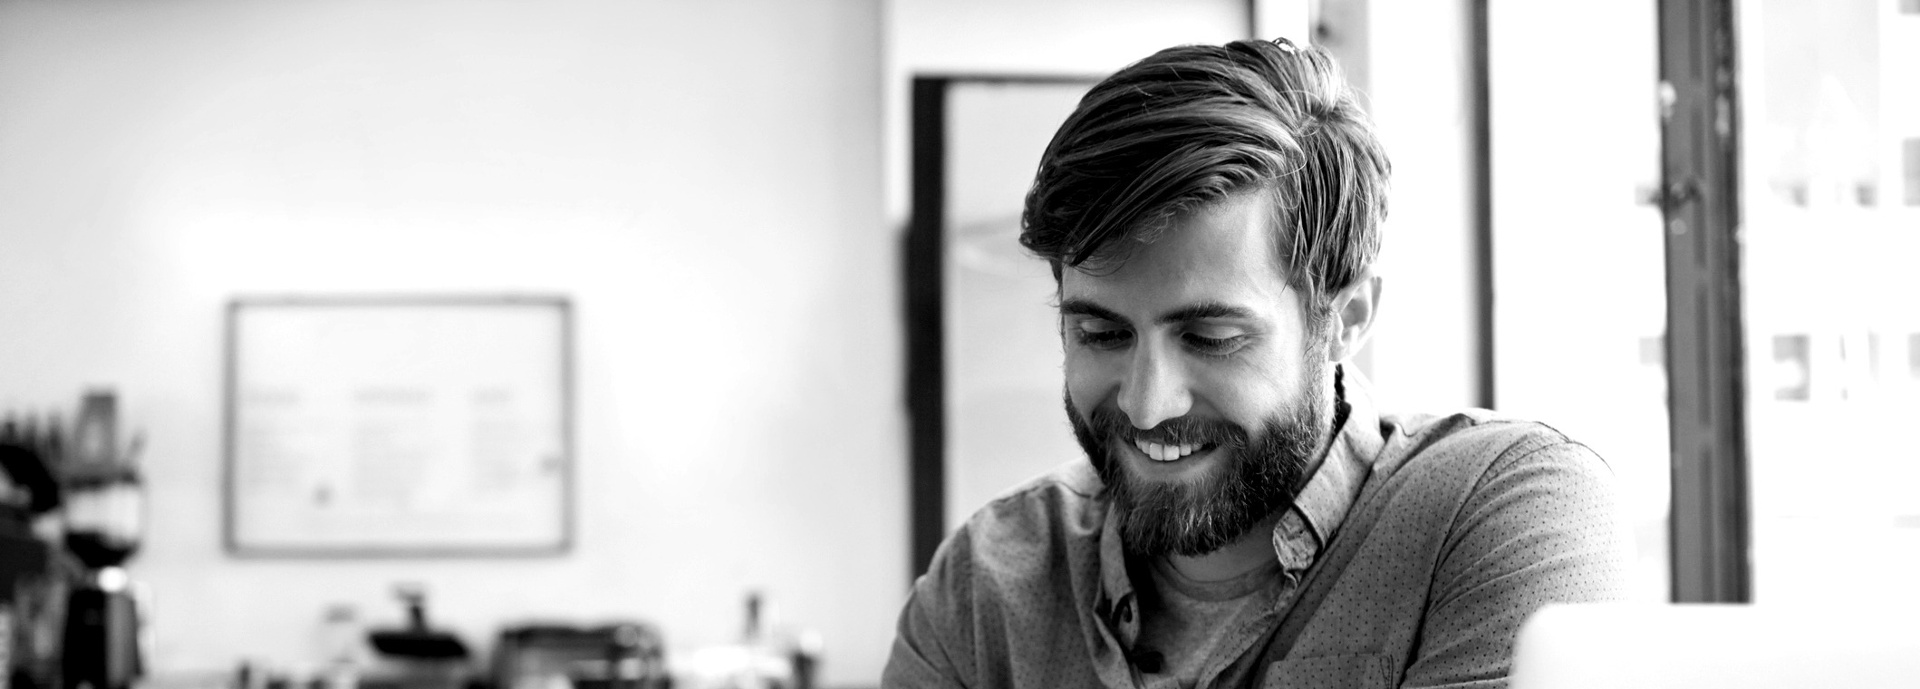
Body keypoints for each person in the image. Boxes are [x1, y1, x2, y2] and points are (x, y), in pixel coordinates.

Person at [882, 37, 1630, 689]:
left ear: (1346, 318)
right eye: (1101, 334)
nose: (1147, 404)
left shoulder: (1504, 512)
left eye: (1211, 338)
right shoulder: (984, 589)